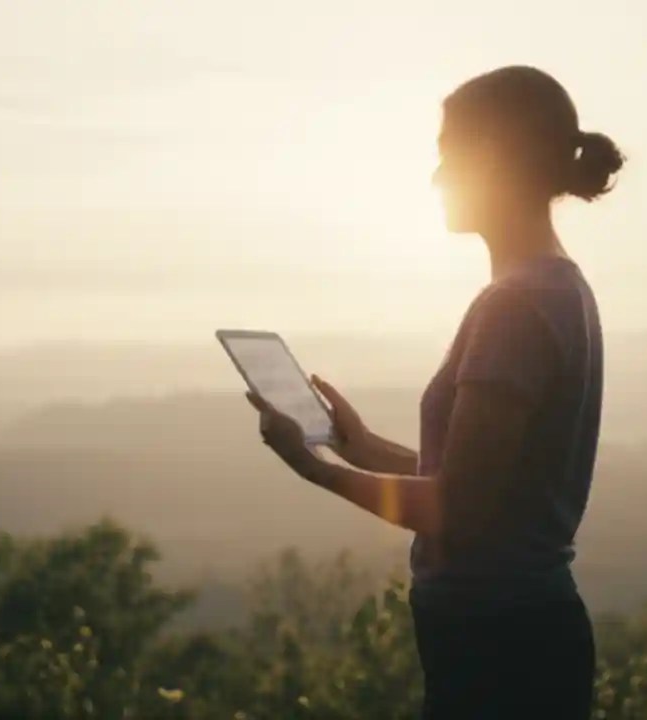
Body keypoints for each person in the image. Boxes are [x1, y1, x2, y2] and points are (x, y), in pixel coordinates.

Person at [245, 65, 623, 719]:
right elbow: (485, 487)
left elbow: (454, 509)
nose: (436, 177)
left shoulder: (516, 308)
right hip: (520, 633)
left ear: (498, 160)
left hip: (497, 650)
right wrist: (361, 446)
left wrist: (315, 468)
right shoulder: (559, 287)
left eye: (450, 155)